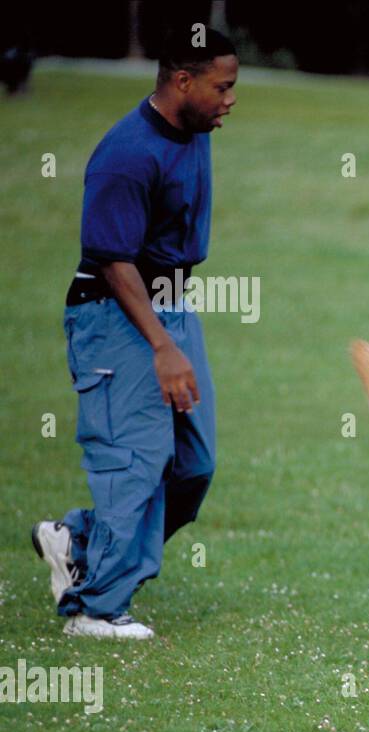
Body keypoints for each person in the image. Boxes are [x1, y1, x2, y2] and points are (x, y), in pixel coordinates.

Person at [31, 29, 238, 640]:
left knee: (194, 466)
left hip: (172, 303)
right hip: (117, 312)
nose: (230, 100)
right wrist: (162, 346)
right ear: (182, 82)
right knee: (136, 462)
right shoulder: (126, 154)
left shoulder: (193, 130)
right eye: (221, 87)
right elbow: (112, 261)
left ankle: (78, 540)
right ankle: (95, 609)